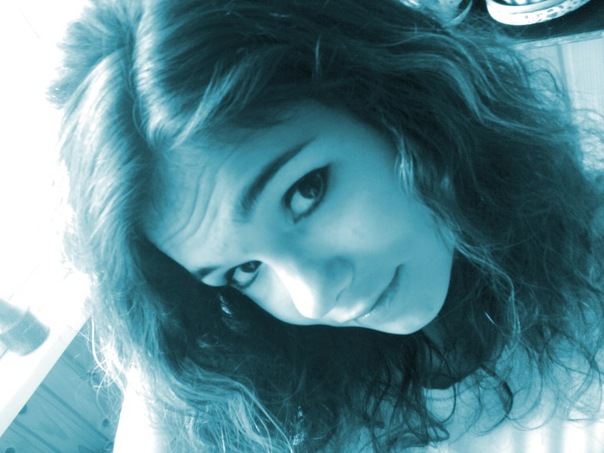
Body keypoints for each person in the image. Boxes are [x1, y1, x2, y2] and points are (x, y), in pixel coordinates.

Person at [51, 0, 604, 451]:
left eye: (304, 193)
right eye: (244, 270)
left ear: (401, 101)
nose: (313, 297)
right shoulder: (259, 390)